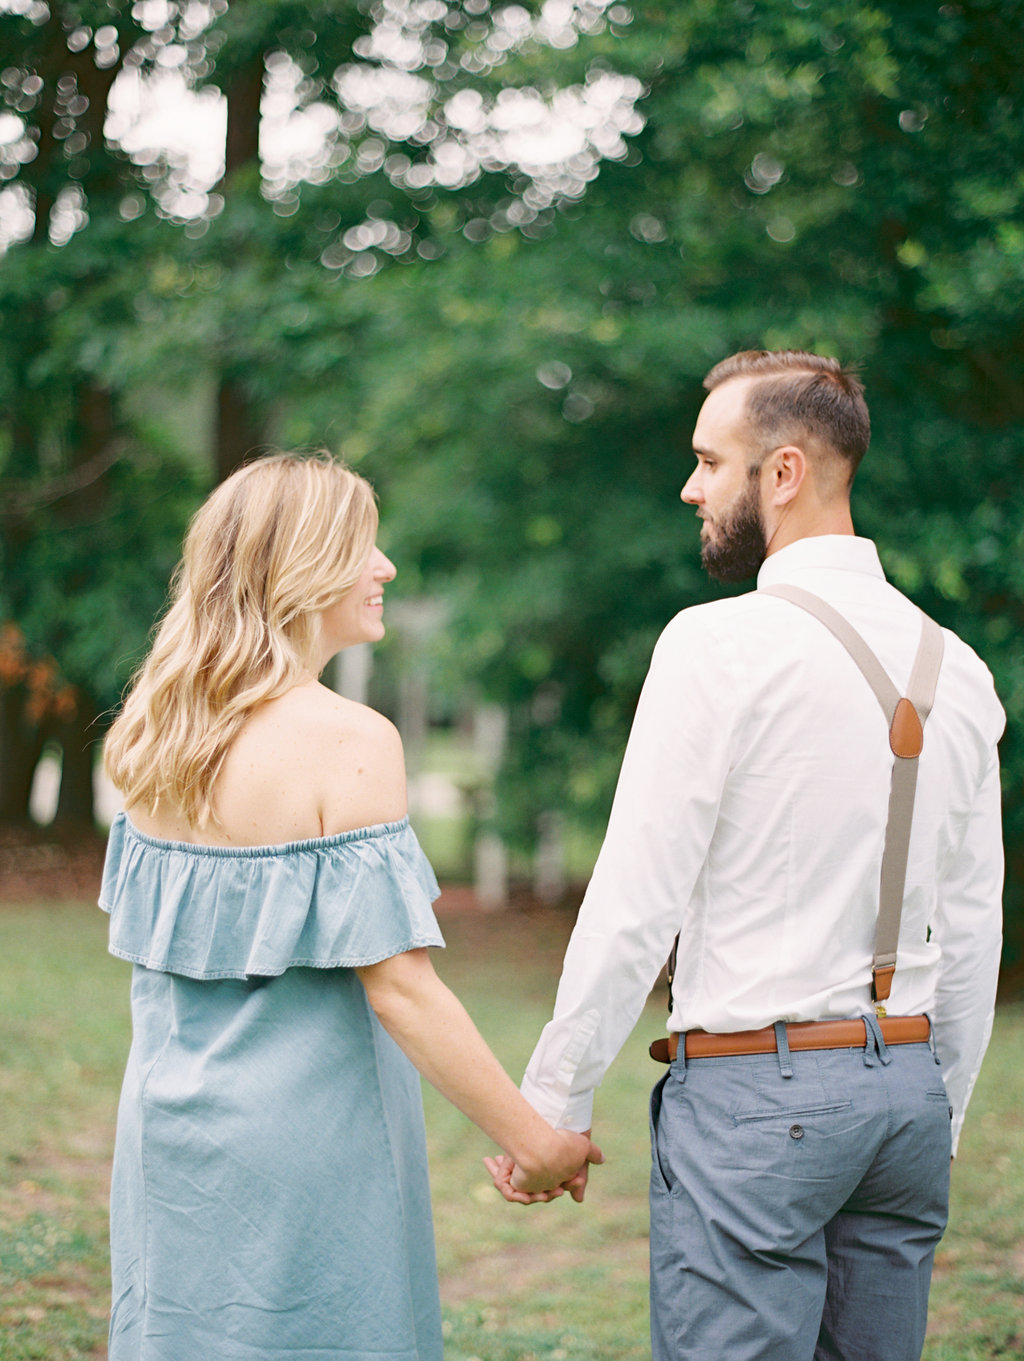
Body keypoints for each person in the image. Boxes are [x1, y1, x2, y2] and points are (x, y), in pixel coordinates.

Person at [486, 351, 1005, 1360]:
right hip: (903, 1095)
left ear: (781, 474)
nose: (690, 486)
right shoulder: (959, 665)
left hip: (755, 1103)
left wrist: (551, 1102)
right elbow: (973, 921)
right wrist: (937, 1106)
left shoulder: (715, 645)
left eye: (706, 460)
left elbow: (637, 899)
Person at [100, 452, 601, 1361]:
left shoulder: (153, 729)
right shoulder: (350, 740)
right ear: (302, 568)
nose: (386, 568)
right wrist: (537, 1141)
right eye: (364, 546)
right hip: (309, 1154)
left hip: (166, 1138)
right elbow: (401, 989)